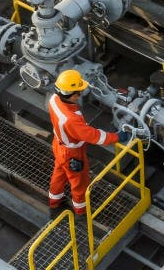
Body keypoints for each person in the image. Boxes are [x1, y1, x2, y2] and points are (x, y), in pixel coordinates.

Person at [47, 69, 127, 217]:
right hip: (72, 154)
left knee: (59, 175)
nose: (79, 95)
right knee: (79, 184)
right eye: (78, 93)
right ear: (69, 94)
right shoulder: (71, 119)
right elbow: (95, 137)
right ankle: (82, 213)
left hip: (59, 144)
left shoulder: (54, 99)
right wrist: (117, 137)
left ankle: (54, 205)